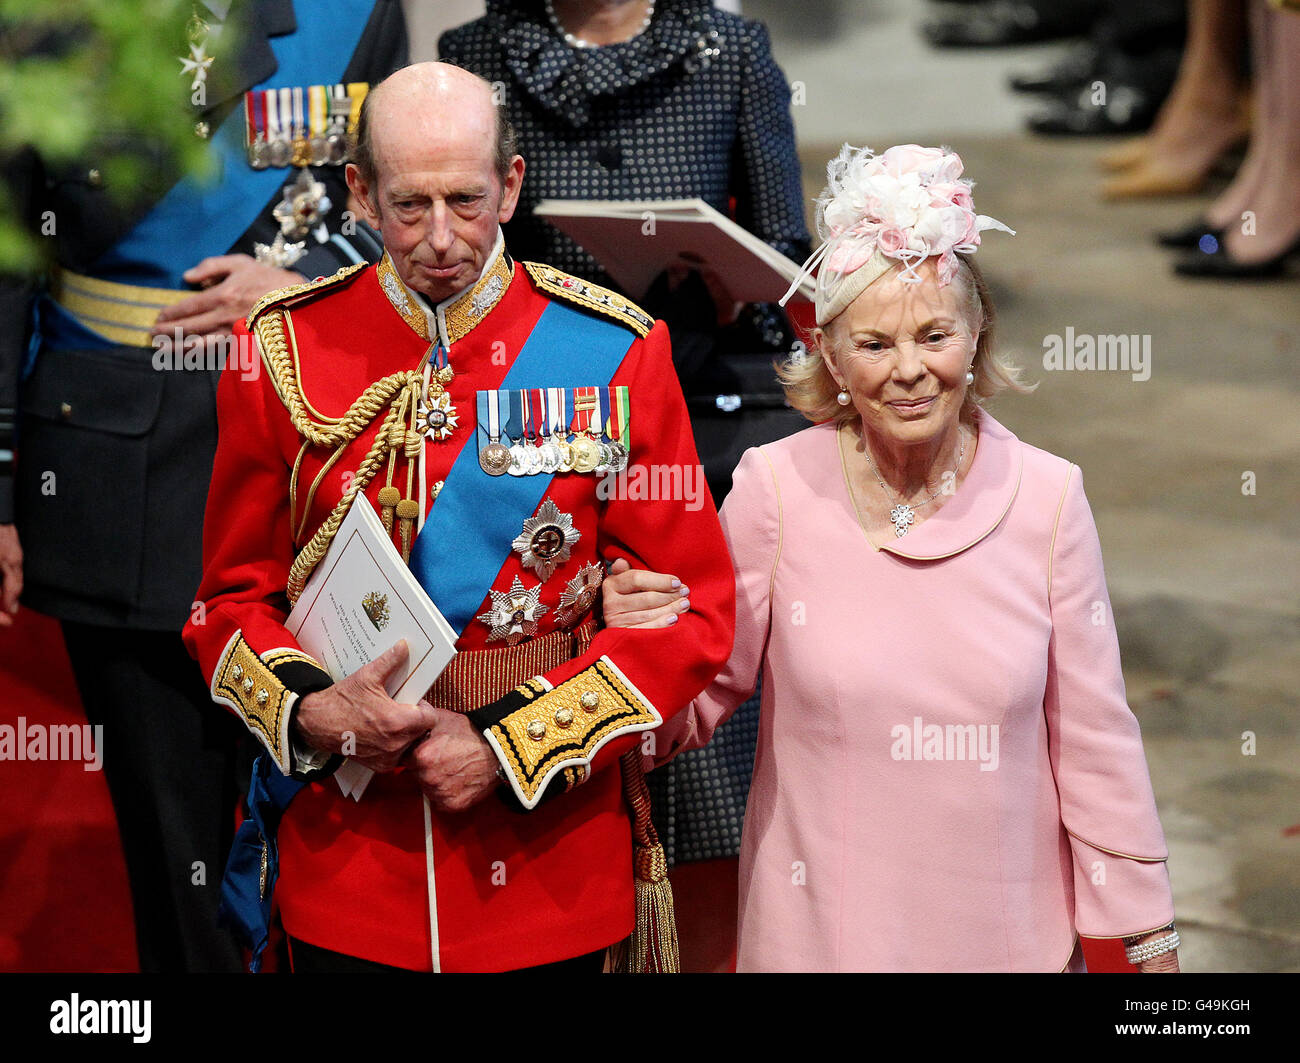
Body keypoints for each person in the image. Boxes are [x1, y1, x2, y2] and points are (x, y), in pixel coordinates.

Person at [180, 60, 734, 973]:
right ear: (357, 193)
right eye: (409, 205)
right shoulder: (278, 350)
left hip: (550, 870)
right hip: (350, 873)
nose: (441, 238)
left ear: (512, 185)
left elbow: (695, 615)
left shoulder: (615, 350)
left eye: (467, 201)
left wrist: (510, 746)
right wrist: (315, 710)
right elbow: (226, 603)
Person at [601, 144, 1181, 972]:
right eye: (873, 344)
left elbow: (1095, 741)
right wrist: (636, 639)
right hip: (818, 945)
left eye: (935, 334)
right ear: (830, 358)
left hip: (1009, 945)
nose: (909, 370)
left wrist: (1147, 936)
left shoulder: (1051, 499)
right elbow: (698, 697)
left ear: (976, 337)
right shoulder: (775, 490)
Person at [0, 0, 407, 972]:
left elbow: (398, 198)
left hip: (308, 452)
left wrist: (308, 279)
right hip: (118, 468)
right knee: (174, 850)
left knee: (335, 837)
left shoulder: (356, 9)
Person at [438, 0, 811, 968]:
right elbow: (458, 296)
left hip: (701, 423)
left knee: (696, 632)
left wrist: (737, 295)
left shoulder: (728, 52)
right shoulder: (473, 58)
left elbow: (793, 290)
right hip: (530, 453)